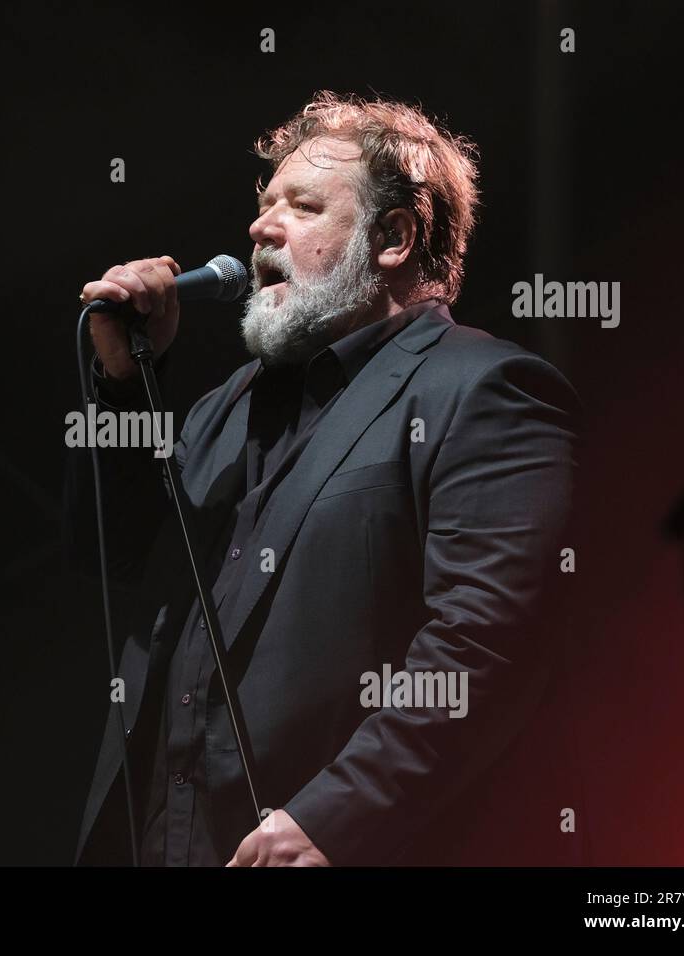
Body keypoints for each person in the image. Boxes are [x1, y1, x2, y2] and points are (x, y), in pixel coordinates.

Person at [66, 91, 582, 866]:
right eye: (264, 204)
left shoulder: (482, 390)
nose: (260, 227)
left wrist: (335, 820)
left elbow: (486, 644)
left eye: (302, 206)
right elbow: (113, 558)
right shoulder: (219, 412)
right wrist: (122, 384)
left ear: (395, 237)